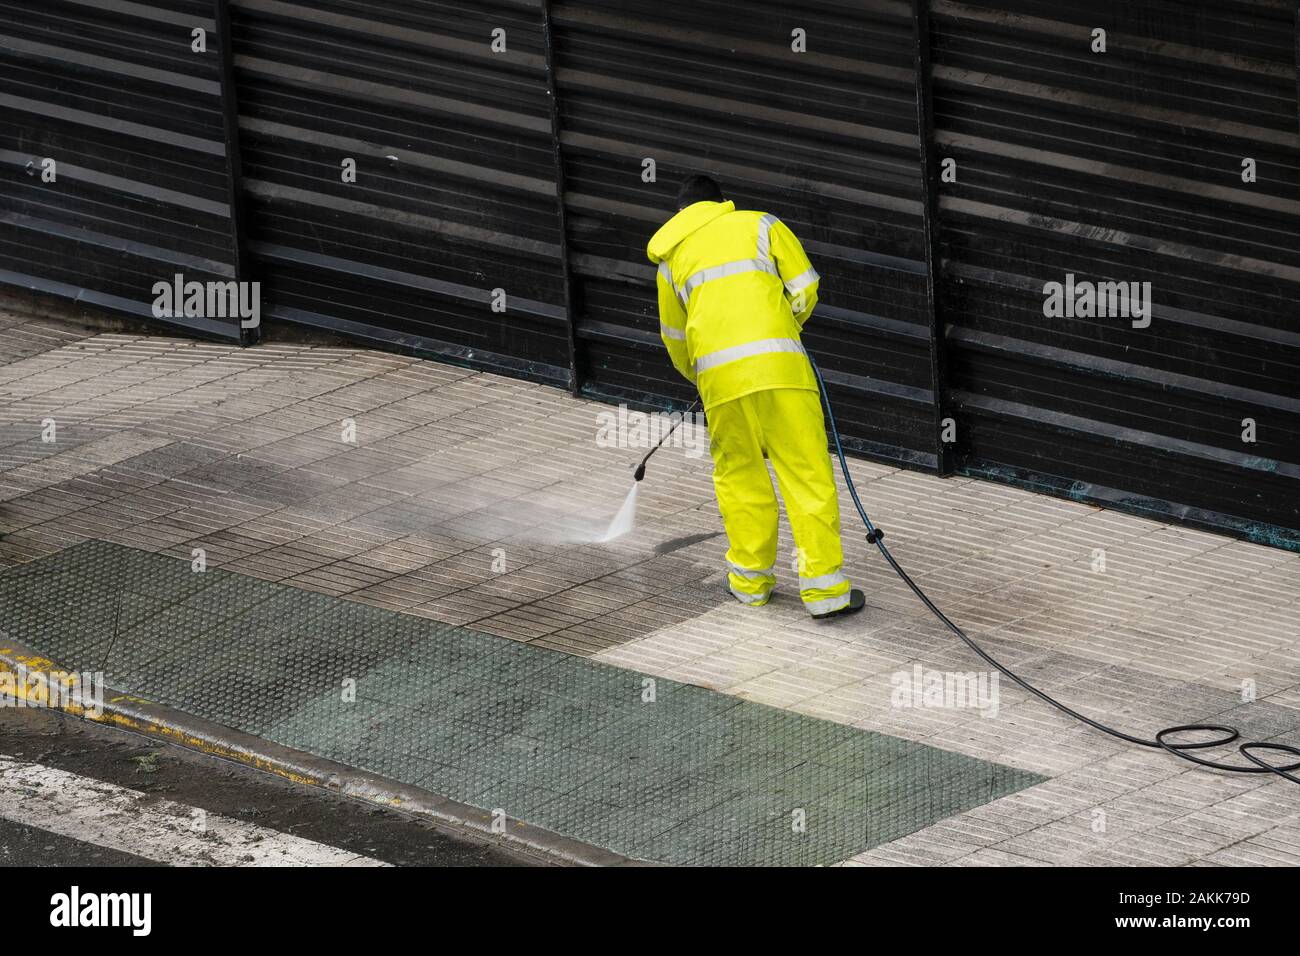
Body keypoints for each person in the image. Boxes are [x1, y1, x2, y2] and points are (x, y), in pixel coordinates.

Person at [646, 175, 864, 619]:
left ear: (680, 215)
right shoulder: (762, 225)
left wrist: (704, 375)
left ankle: (749, 583)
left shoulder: (670, 262)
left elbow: (674, 339)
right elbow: (805, 287)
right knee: (805, 473)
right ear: (723, 202)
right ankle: (825, 593)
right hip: (781, 370)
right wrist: (785, 330)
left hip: (720, 385)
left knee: (740, 477)